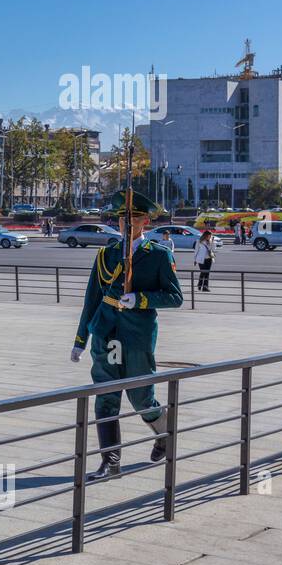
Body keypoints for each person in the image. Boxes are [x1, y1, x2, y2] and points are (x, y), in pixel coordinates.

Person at [71, 190, 183, 479]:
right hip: (107, 332)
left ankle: (164, 434)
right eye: (122, 218)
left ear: (145, 221)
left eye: (132, 218)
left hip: (137, 335)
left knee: (141, 397)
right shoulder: (106, 254)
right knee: (105, 396)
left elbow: (175, 297)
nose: (126, 223)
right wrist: (80, 340)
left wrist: (141, 299)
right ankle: (111, 462)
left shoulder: (158, 255)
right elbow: (92, 298)